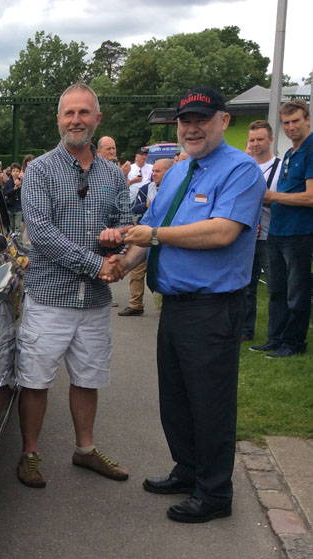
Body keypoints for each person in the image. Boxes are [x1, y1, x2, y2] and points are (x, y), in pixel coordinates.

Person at [102, 85, 265, 523]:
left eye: (202, 119)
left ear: (223, 122)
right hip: (173, 303)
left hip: (213, 307)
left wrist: (150, 236)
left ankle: (215, 493)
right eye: (185, 120)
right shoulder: (176, 171)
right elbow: (151, 230)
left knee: (210, 401)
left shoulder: (242, 170)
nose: (192, 128)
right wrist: (121, 263)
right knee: (176, 397)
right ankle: (189, 470)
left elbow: (222, 232)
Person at [15, 83, 131, 489]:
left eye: (84, 113)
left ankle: (85, 450)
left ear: (97, 119)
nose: (76, 120)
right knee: (35, 378)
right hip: (50, 297)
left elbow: (125, 219)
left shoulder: (112, 174)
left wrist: (119, 251)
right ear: (59, 120)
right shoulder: (41, 170)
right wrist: (96, 264)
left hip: (95, 301)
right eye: (69, 113)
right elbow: (42, 233)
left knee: (88, 376)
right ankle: (30, 453)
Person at [252, 100, 313, 358]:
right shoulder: (290, 153)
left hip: (299, 232)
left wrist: (273, 197)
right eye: (286, 123)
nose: (291, 127)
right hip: (277, 229)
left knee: (297, 290)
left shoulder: (310, 150)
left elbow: (310, 197)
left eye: (295, 121)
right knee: (277, 288)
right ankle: (275, 338)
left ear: (307, 119)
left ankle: (294, 342)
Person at [241, 120, 280, 341]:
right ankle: (246, 332)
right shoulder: (245, 167)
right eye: (252, 140)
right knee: (246, 287)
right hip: (246, 236)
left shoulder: (279, 166)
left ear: (270, 140)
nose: (255, 144)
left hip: (269, 235)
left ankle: (276, 335)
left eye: (260, 139)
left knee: (275, 286)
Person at [120, 158, 174, 316]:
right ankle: (135, 303)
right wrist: (145, 205)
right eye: (154, 171)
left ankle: (166, 305)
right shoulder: (145, 188)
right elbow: (134, 209)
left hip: (166, 237)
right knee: (137, 270)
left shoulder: (176, 190)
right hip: (145, 232)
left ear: (169, 172)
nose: (154, 174)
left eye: (158, 171)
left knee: (164, 269)